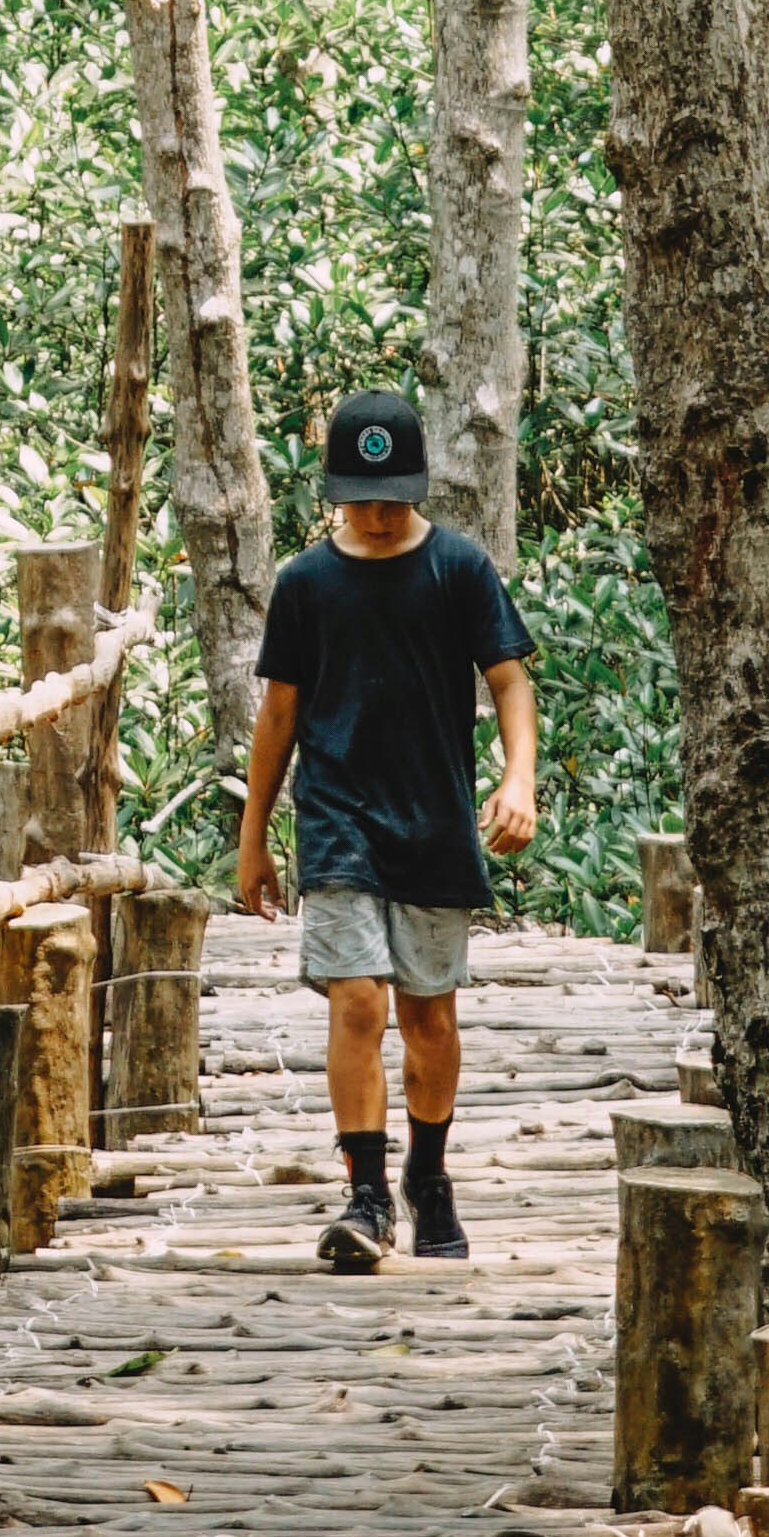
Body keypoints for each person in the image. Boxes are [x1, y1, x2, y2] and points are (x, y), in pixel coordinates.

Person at [234, 384, 536, 1268]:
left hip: (434, 819)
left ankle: (427, 1176)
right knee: (357, 998)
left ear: (418, 490)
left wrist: (519, 778)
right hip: (337, 817)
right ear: (332, 491)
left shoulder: (459, 570)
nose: (373, 514)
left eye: (390, 497)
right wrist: (255, 833)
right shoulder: (306, 584)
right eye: (359, 498)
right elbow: (279, 715)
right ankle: (365, 1197)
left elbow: (511, 679)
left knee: (429, 1016)